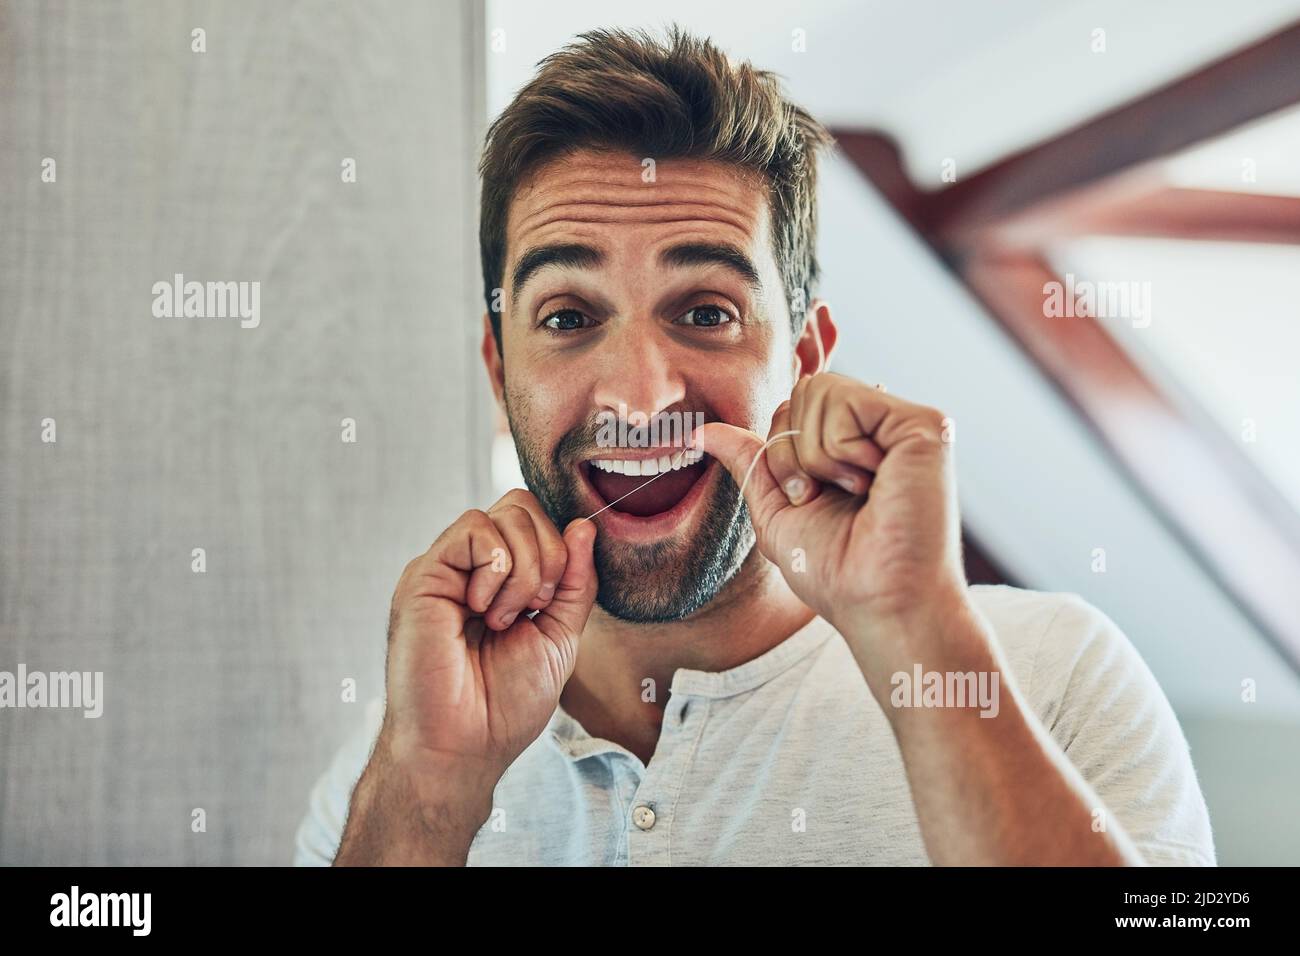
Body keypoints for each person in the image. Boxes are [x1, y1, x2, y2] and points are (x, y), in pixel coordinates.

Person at [294, 26, 1215, 866]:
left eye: (706, 312)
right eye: (569, 317)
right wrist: (429, 792)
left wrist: (915, 631)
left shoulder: (1057, 680)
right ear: (499, 374)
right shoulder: (398, 766)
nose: (641, 394)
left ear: (805, 358)